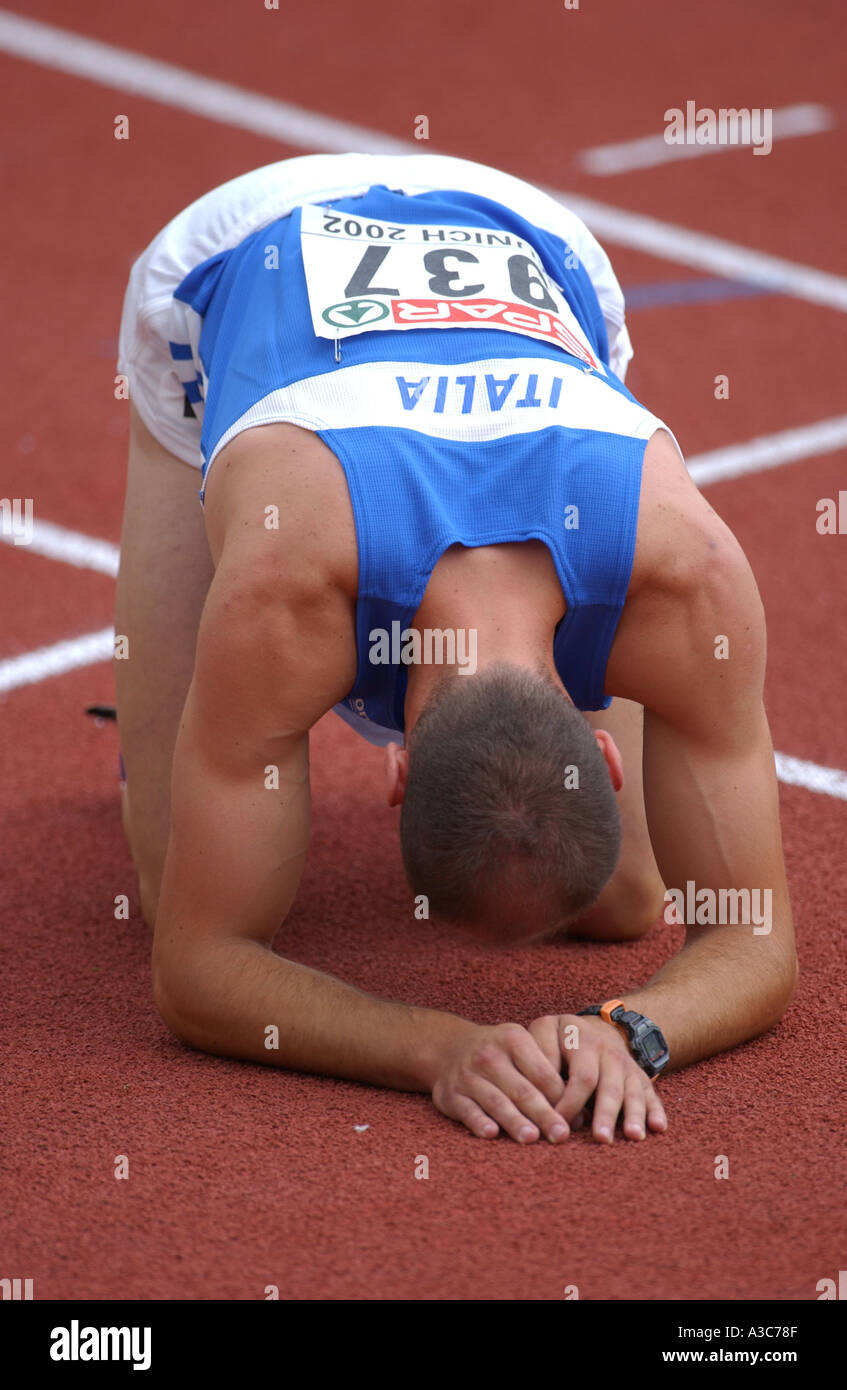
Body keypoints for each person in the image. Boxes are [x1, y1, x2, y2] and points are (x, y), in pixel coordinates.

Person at [114, 152, 797, 1148]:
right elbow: (197, 970)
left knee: (622, 902)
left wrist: (629, 1028)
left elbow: (750, 933)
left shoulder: (689, 578)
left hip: (530, 241)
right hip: (233, 253)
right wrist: (433, 1046)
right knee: (163, 890)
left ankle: (220, 730)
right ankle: (169, 727)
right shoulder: (282, 595)